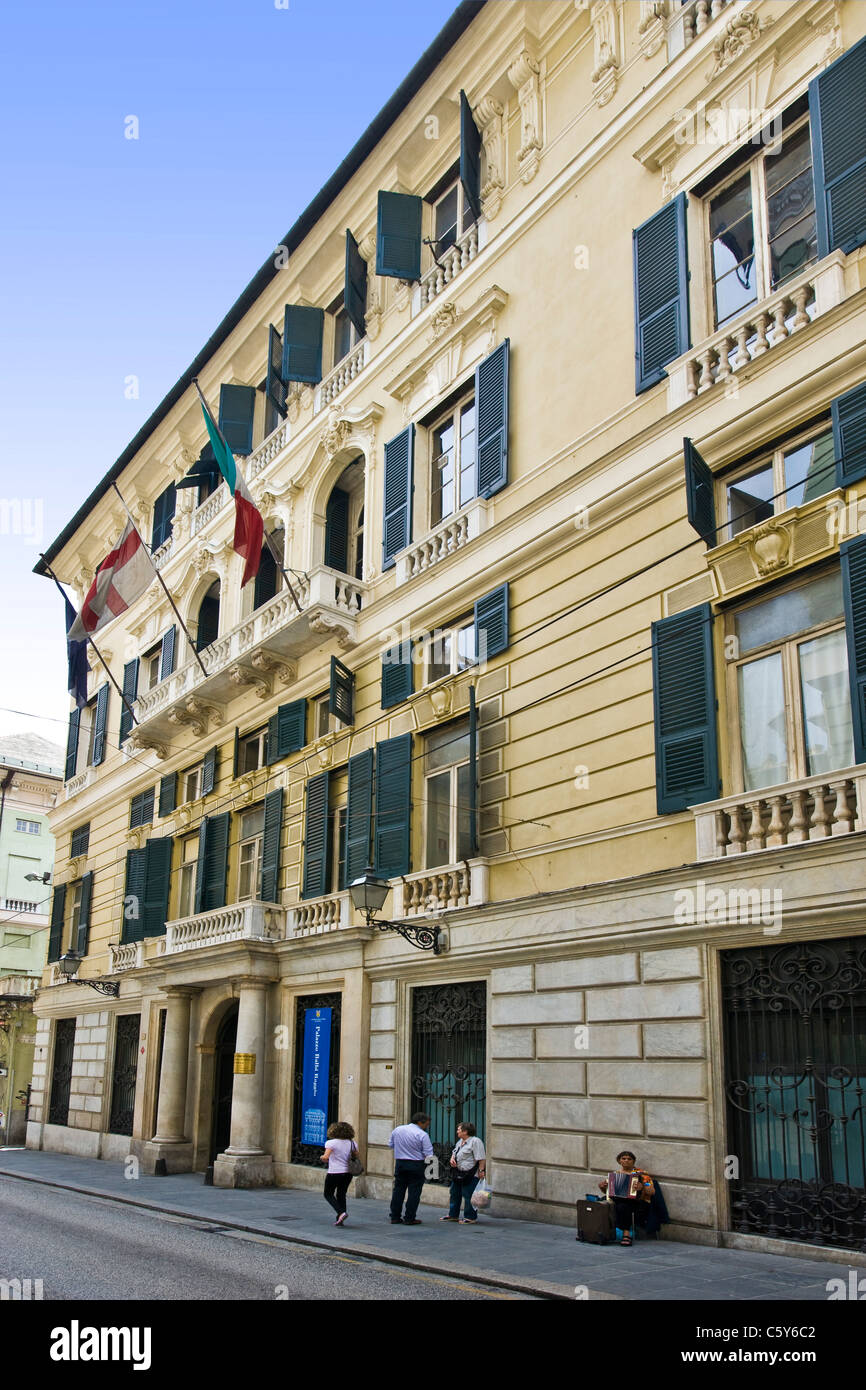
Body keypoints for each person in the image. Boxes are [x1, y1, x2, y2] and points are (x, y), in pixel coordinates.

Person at [598, 1149, 654, 1246]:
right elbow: (608, 1192)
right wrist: (602, 1187)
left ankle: (626, 1233)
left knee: (624, 1205)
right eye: (623, 1158)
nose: (626, 1160)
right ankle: (601, 1231)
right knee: (603, 1203)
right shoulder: (615, 1174)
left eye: (629, 1159)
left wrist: (643, 1187)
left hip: (638, 1202)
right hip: (618, 1201)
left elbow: (652, 1191)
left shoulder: (642, 1174)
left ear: (633, 1161)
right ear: (619, 1161)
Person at [388, 1112, 433, 1224]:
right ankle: (409, 1217)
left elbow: (390, 1144)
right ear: (420, 1122)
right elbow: (429, 1154)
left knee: (398, 1190)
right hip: (416, 1164)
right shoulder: (422, 1134)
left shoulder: (398, 1130)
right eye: (426, 1124)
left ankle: (395, 1216)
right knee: (414, 1192)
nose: (427, 1126)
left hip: (400, 1163)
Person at [442, 1121, 486, 1224]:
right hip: (458, 1173)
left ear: (465, 1131)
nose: (457, 1131)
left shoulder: (476, 1141)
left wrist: (481, 1170)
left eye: (459, 1129)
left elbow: (481, 1158)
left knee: (469, 1195)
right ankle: (453, 1215)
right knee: (454, 1193)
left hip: (470, 1174)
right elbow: (455, 1152)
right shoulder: (460, 1142)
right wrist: (452, 1159)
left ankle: (470, 1217)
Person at [319, 1120, 358, 1226]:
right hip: (348, 1173)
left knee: (328, 1194)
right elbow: (355, 1156)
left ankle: (341, 1212)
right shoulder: (352, 1143)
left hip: (334, 1172)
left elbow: (326, 1157)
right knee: (341, 1194)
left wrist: (322, 1157)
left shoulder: (331, 1143)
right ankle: (340, 1218)